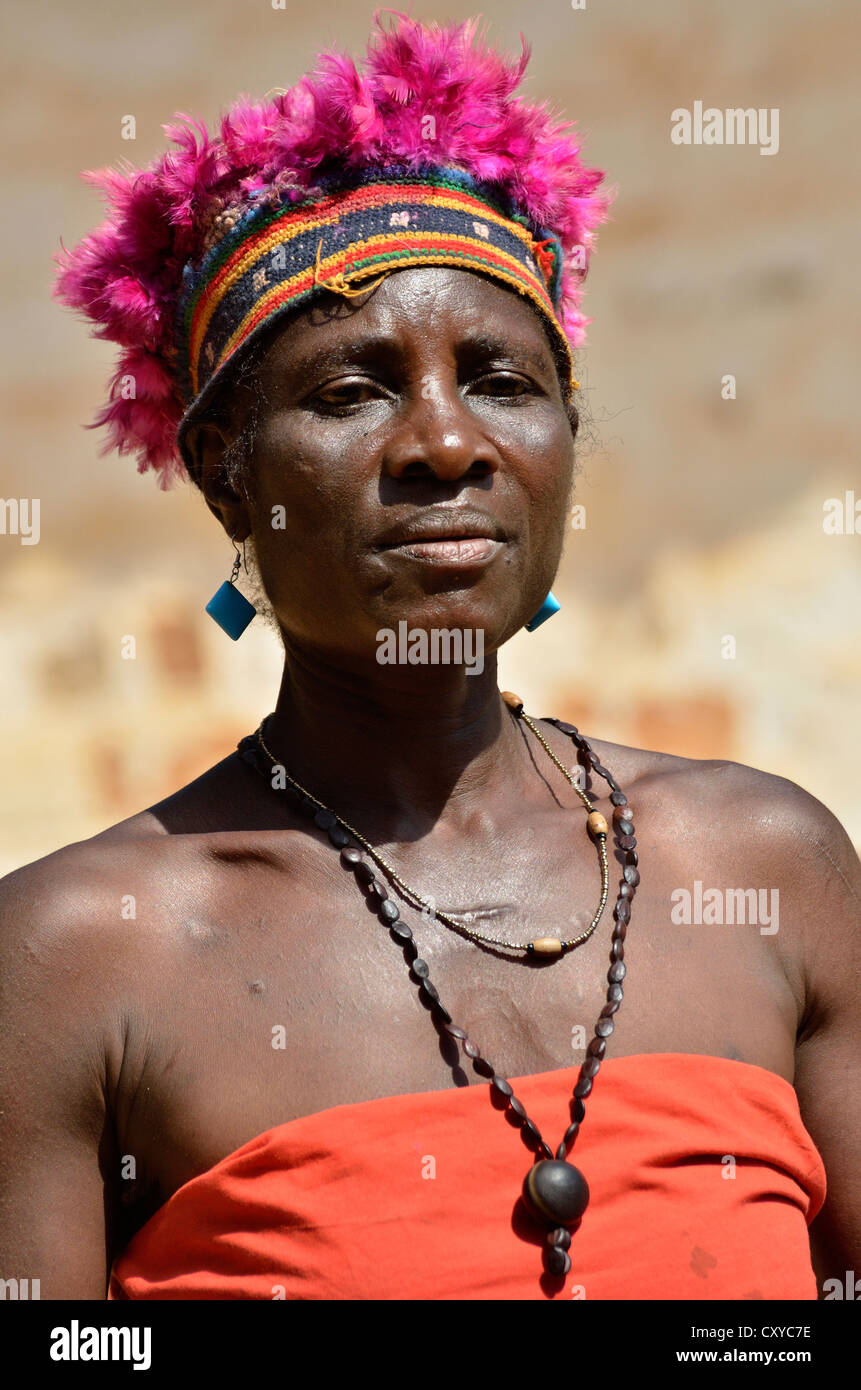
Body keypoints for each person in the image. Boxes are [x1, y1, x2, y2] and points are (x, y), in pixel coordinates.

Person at [1, 11, 858, 1302]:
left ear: (565, 440)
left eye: (501, 381)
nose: (444, 445)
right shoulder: (81, 954)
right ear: (227, 483)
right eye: (350, 392)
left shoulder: (764, 861)